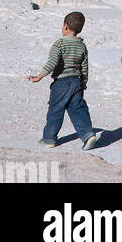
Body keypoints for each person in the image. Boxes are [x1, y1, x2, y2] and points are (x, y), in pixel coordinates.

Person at [29, 10, 99, 149]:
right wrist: (84, 82)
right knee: (78, 109)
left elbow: (52, 62)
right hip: (77, 82)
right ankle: (88, 135)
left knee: (55, 110)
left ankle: (49, 138)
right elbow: (84, 66)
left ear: (65, 26)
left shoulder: (59, 44)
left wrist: (39, 76)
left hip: (61, 83)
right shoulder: (82, 45)